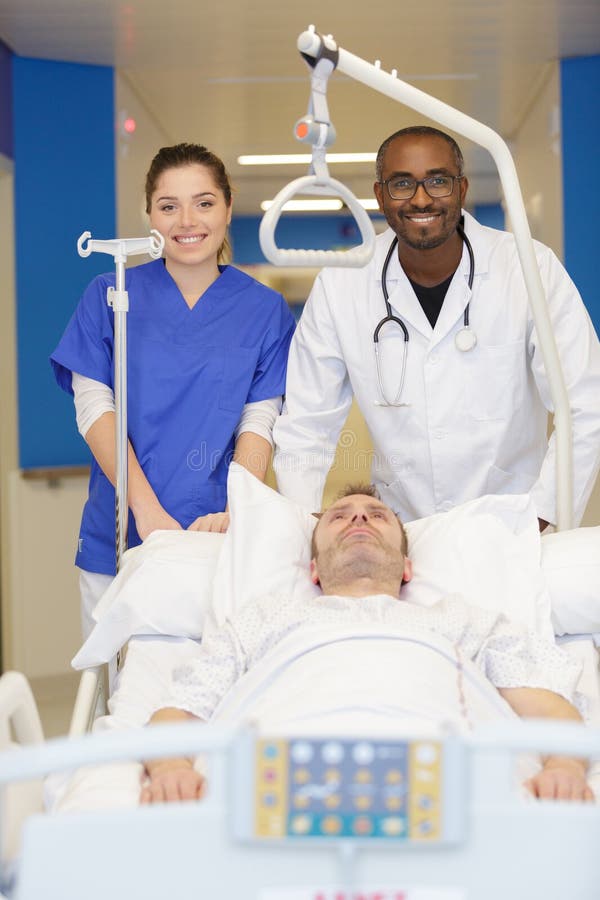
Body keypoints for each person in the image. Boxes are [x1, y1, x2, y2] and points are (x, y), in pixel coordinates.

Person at [140, 486, 593, 805]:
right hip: (281, 779)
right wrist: (169, 769)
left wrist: (566, 768)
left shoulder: (460, 621)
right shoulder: (262, 621)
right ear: (313, 570)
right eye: (340, 516)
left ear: (407, 567)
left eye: (377, 516)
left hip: (443, 782)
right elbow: (180, 710)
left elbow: (548, 707)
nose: (358, 517)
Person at [272, 125, 600, 532]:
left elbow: (587, 404)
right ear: (379, 196)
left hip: (513, 526)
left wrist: (539, 518)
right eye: (402, 184)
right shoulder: (343, 282)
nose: (421, 198)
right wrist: (305, 528)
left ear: (461, 189)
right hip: (402, 531)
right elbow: (306, 424)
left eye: (438, 181)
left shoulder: (528, 268)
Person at [51, 143, 296, 636]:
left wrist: (236, 508)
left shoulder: (265, 311)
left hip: (220, 536)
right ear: (150, 216)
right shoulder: (109, 294)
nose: (188, 219)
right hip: (119, 535)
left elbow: (259, 420)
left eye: (204, 202)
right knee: (118, 696)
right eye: (169, 206)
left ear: (228, 207)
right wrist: (146, 512)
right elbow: (94, 407)